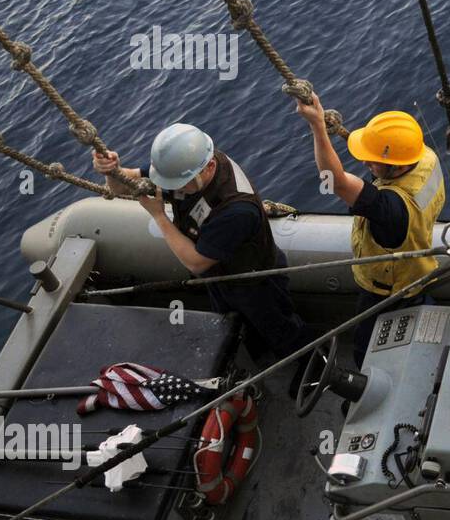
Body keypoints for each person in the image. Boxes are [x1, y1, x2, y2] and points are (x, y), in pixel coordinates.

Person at [94, 124, 312, 379]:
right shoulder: (185, 167)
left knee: (280, 328)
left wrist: (158, 216)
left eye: (181, 184)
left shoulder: (235, 208)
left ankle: (310, 363)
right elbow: (125, 184)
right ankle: (259, 356)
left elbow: (196, 263)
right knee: (235, 322)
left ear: (208, 168)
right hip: (222, 280)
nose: (175, 188)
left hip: (254, 280)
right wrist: (112, 172)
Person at [295, 94, 445, 364]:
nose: (366, 164)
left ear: (397, 165)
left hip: (387, 291)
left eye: (373, 161)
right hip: (417, 272)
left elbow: (336, 182)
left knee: (366, 350)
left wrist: (317, 126)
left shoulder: (390, 209)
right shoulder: (425, 158)